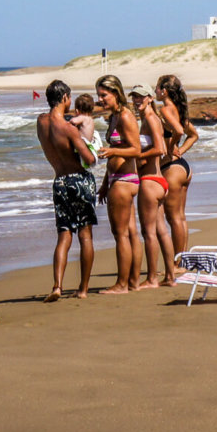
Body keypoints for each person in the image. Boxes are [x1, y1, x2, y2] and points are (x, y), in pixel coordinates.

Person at [35, 80, 98, 302]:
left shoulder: (40, 122)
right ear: (64, 98)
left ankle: (57, 286)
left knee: (64, 234)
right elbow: (89, 160)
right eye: (69, 98)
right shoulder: (68, 129)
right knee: (85, 234)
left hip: (59, 181)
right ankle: (82, 289)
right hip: (78, 180)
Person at [95, 74, 142, 295]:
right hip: (117, 179)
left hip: (125, 181)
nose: (101, 99)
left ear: (116, 93)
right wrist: (105, 183)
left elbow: (136, 150)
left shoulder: (125, 116)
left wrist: (112, 151)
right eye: (99, 95)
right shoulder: (114, 116)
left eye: (104, 95)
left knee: (120, 233)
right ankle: (132, 282)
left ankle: (122, 284)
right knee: (130, 232)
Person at [126, 85, 172, 289]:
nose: (137, 101)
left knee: (149, 232)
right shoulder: (147, 119)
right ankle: (170, 276)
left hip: (150, 182)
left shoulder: (151, 119)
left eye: (140, 97)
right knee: (161, 231)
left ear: (150, 98)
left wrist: (136, 156)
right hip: (159, 181)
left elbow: (160, 149)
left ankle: (152, 278)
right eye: (134, 97)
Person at [157, 75, 198, 264]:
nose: (155, 91)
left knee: (173, 219)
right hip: (183, 168)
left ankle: (177, 263)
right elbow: (193, 135)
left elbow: (180, 132)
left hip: (172, 167)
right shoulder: (179, 111)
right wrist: (180, 150)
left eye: (157, 88)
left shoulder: (165, 109)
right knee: (180, 217)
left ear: (164, 91)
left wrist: (172, 147)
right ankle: (182, 260)